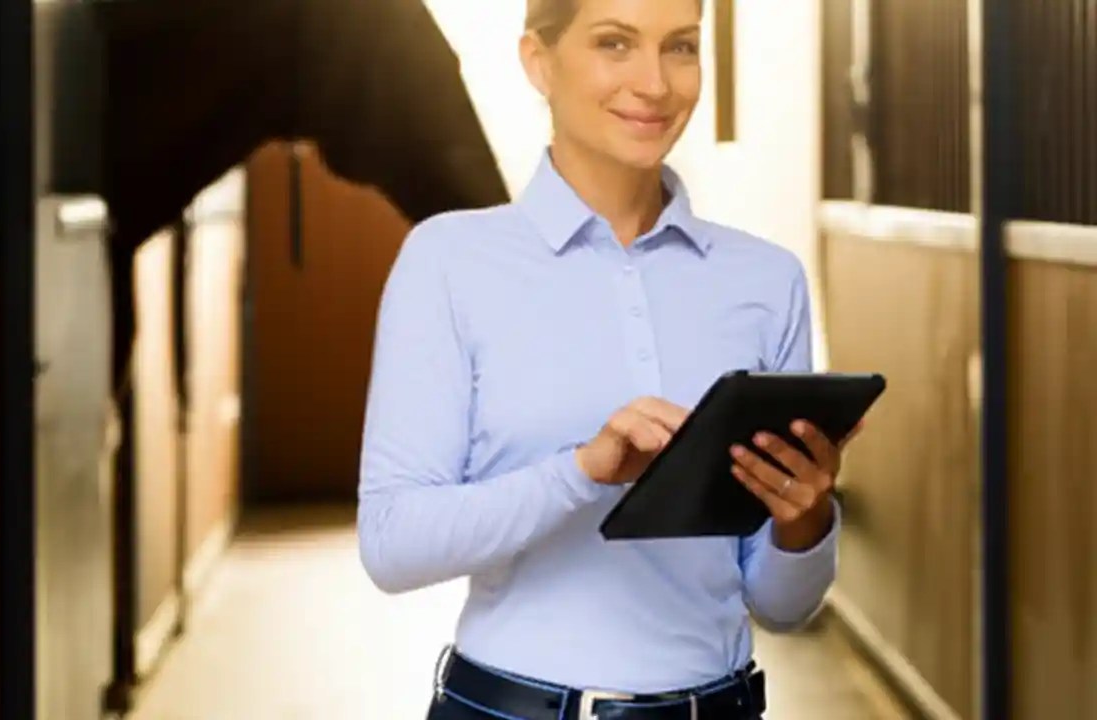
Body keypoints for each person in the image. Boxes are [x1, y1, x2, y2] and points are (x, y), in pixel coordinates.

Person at [357, 0, 861, 717]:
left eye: (681, 47)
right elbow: (393, 546)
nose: (655, 83)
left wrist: (803, 520)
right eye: (615, 43)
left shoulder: (766, 280)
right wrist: (583, 470)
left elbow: (780, 607)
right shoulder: (448, 261)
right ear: (539, 62)